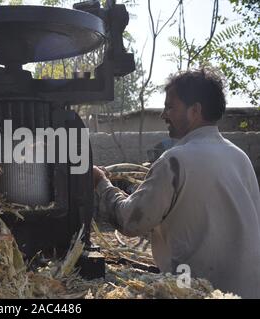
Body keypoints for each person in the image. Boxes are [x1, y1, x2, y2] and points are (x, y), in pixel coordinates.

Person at [93, 69, 260, 298]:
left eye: (170, 107)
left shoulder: (175, 160)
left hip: (199, 291)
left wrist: (101, 183)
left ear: (195, 111)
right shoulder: (240, 157)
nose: (164, 114)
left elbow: (130, 221)